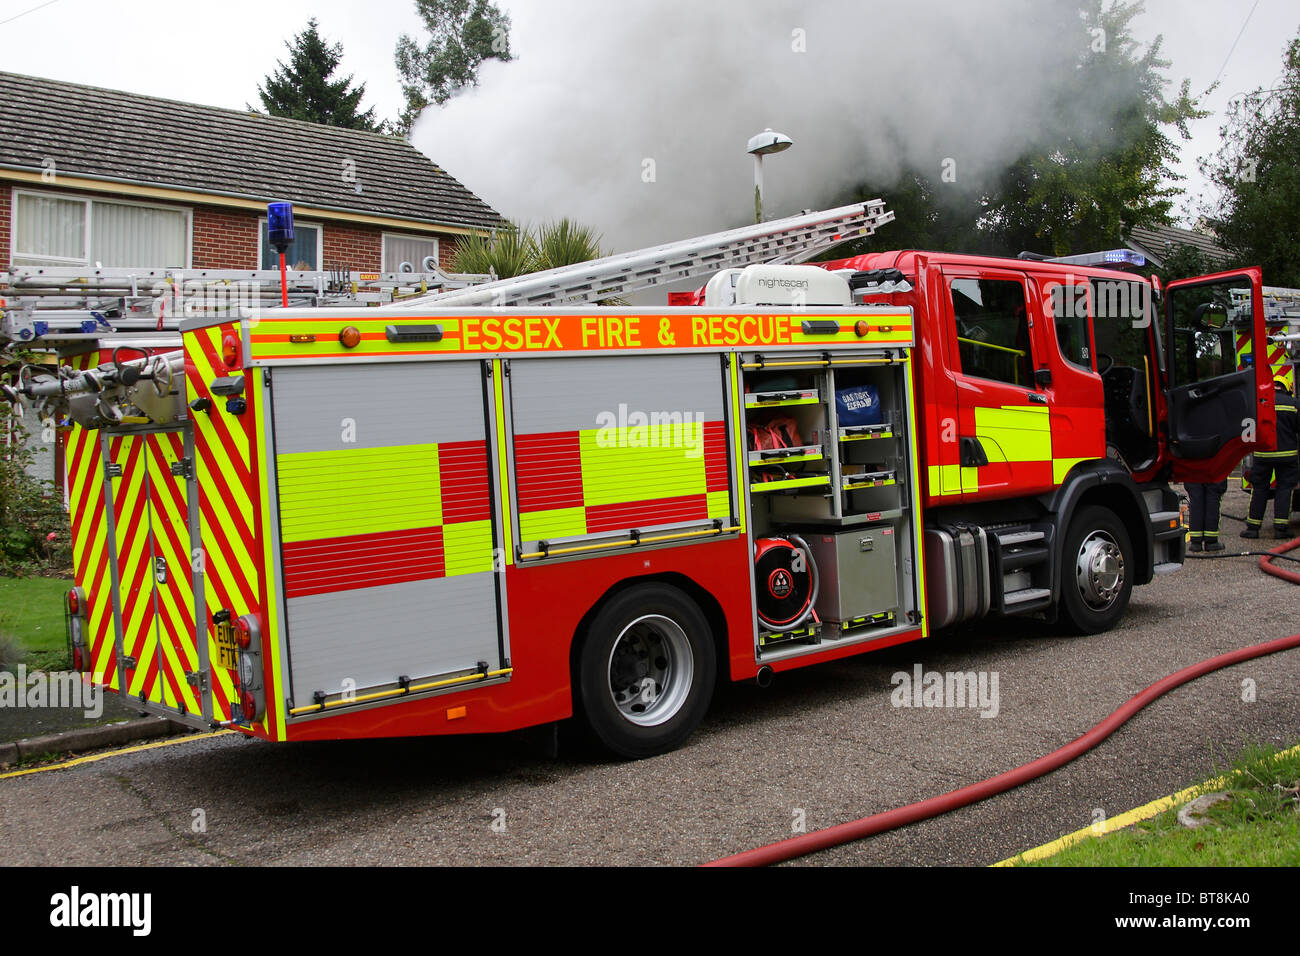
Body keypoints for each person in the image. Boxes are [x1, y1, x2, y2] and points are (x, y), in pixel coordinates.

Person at [1242, 377, 1298, 539]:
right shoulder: (1294, 404)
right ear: (1286, 388)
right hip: (1287, 456)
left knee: (1259, 490)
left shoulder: (1259, 402)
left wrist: (1248, 448)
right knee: (1284, 490)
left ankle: (1253, 528)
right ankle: (1281, 529)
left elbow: (1247, 427)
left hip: (1262, 455)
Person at [1186, 479, 1228, 551]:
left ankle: (1196, 542)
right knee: (1213, 496)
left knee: (1196, 498)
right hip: (1213, 470)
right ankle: (1211, 541)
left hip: (1193, 471)